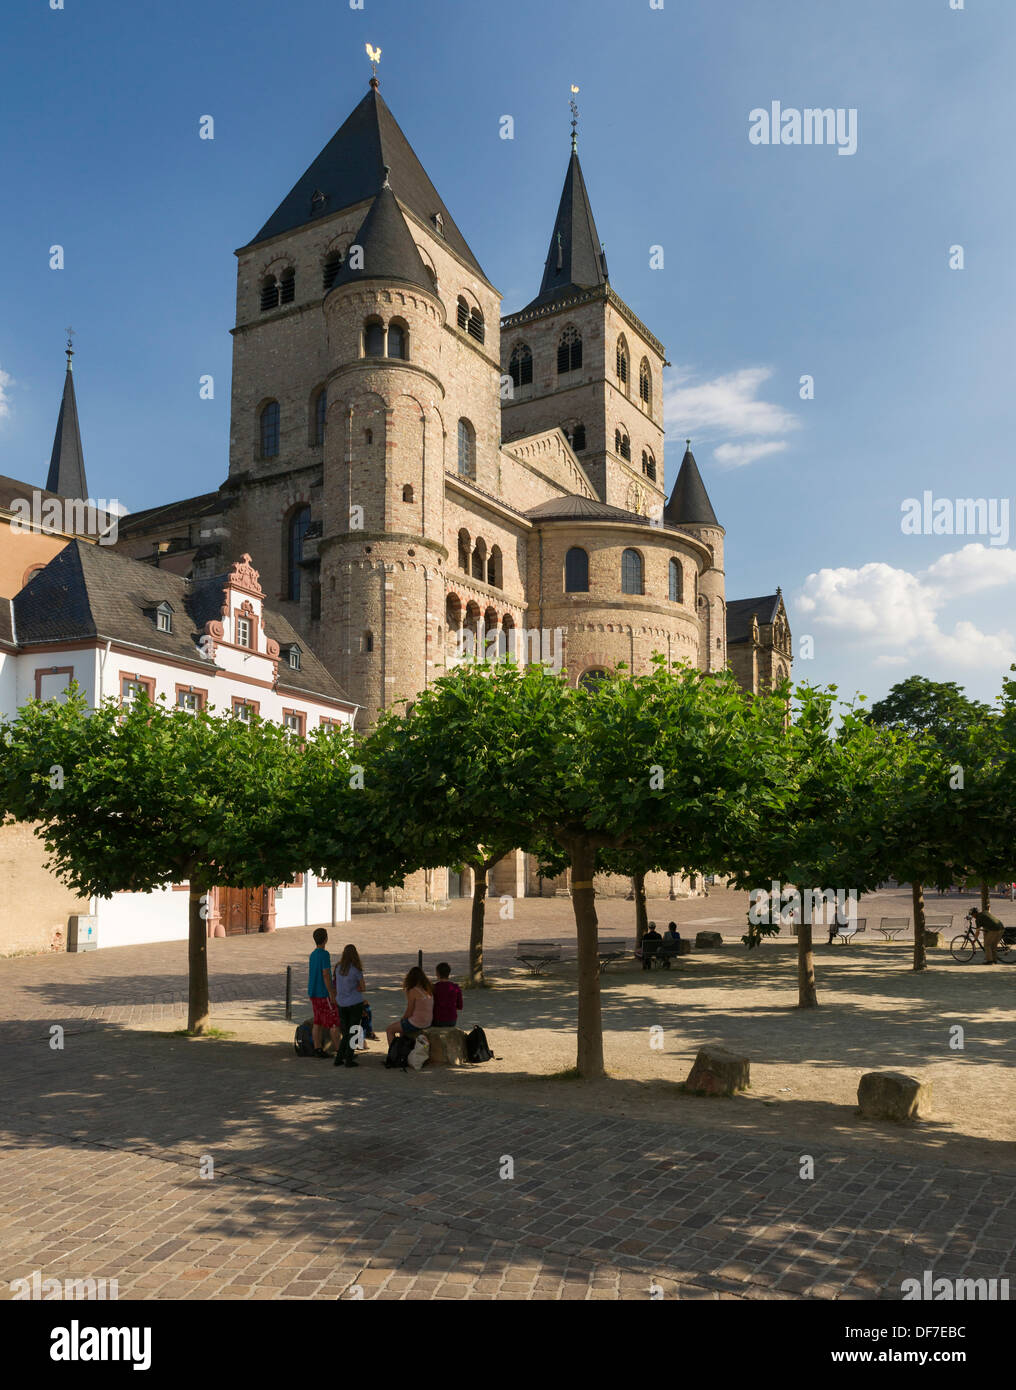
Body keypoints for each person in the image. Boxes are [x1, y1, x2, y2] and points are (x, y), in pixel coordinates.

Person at [307, 927, 340, 1057]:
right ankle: (339, 1050)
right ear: (326, 939)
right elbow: (326, 974)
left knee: (317, 1021)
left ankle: (317, 1048)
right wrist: (331, 992)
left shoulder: (313, 954)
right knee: (333, 1022)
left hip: (313, 992)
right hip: (323, 993)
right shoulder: (324, 954)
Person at [333, 944, 367, 1068]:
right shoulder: (356, 970)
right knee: (353, 1031)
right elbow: (363, 988)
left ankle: (339, 1057)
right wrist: (356, 988)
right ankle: (349, 1058)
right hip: (354, 1003)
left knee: (346, 1031)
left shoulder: (338, 968)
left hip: (341, 1003)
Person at [386, 965, 434, 1045]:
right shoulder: (428, 989)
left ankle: (393, 1054)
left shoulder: (413, 990)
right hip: (428, 1022)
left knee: (390, 1030)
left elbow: (410, 1010)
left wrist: (403, 1019)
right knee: (402, 1030)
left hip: (417, 1022)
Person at [431, 962, 463, 1027]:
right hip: (452, 1020)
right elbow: (460, 1006)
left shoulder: (434, 988)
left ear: (437, 974)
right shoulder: (455, 987)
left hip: (437, 1019)